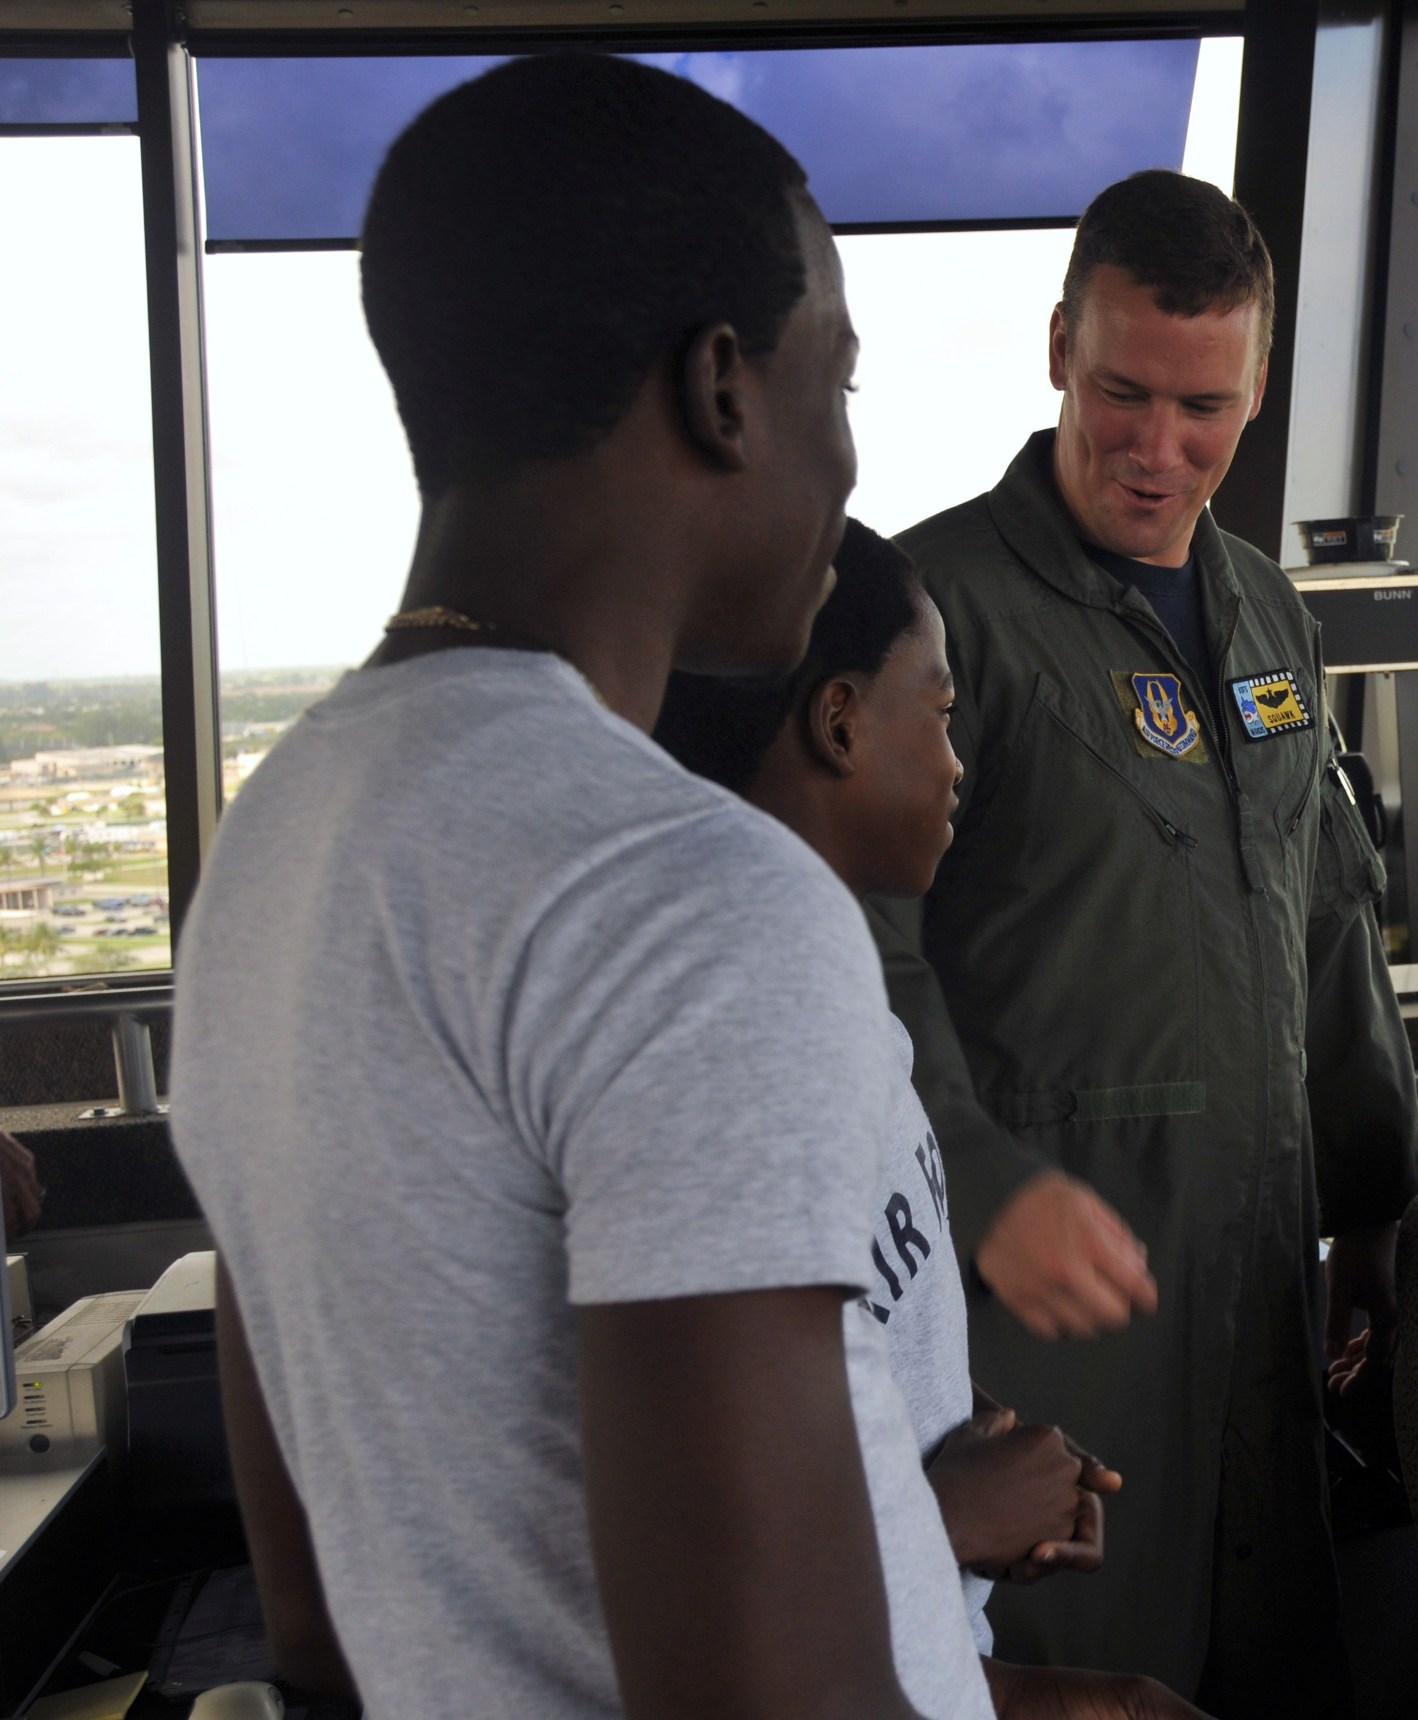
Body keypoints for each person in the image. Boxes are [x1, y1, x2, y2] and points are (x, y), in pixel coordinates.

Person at [170, 57, 993, 1720]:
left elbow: (319, 1619)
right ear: (720, 389)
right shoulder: (689, 901)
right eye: (834, 380)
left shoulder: (271, 849)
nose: (848, 460)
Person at [873, 169, 1418, 1713]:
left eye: (1205, 408)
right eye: (1123, 392)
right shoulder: (928, 613)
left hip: (1255, 1283)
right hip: (1036, 1314)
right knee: (1078, 1681)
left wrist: (1373, 1203)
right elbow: (852, 951)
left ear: (1256, 389)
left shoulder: (1264, 612)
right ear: (1060, 346)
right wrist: (986, 1187)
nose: (1158, 448)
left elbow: (1322, 916)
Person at [651, 521, 1207, 1719]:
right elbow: (682, 1546)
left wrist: (962, 1436)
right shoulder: (735, 1059)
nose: (957, 763)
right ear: (839, 721)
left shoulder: (836, 994)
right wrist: (948, 1511)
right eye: (941, 712)